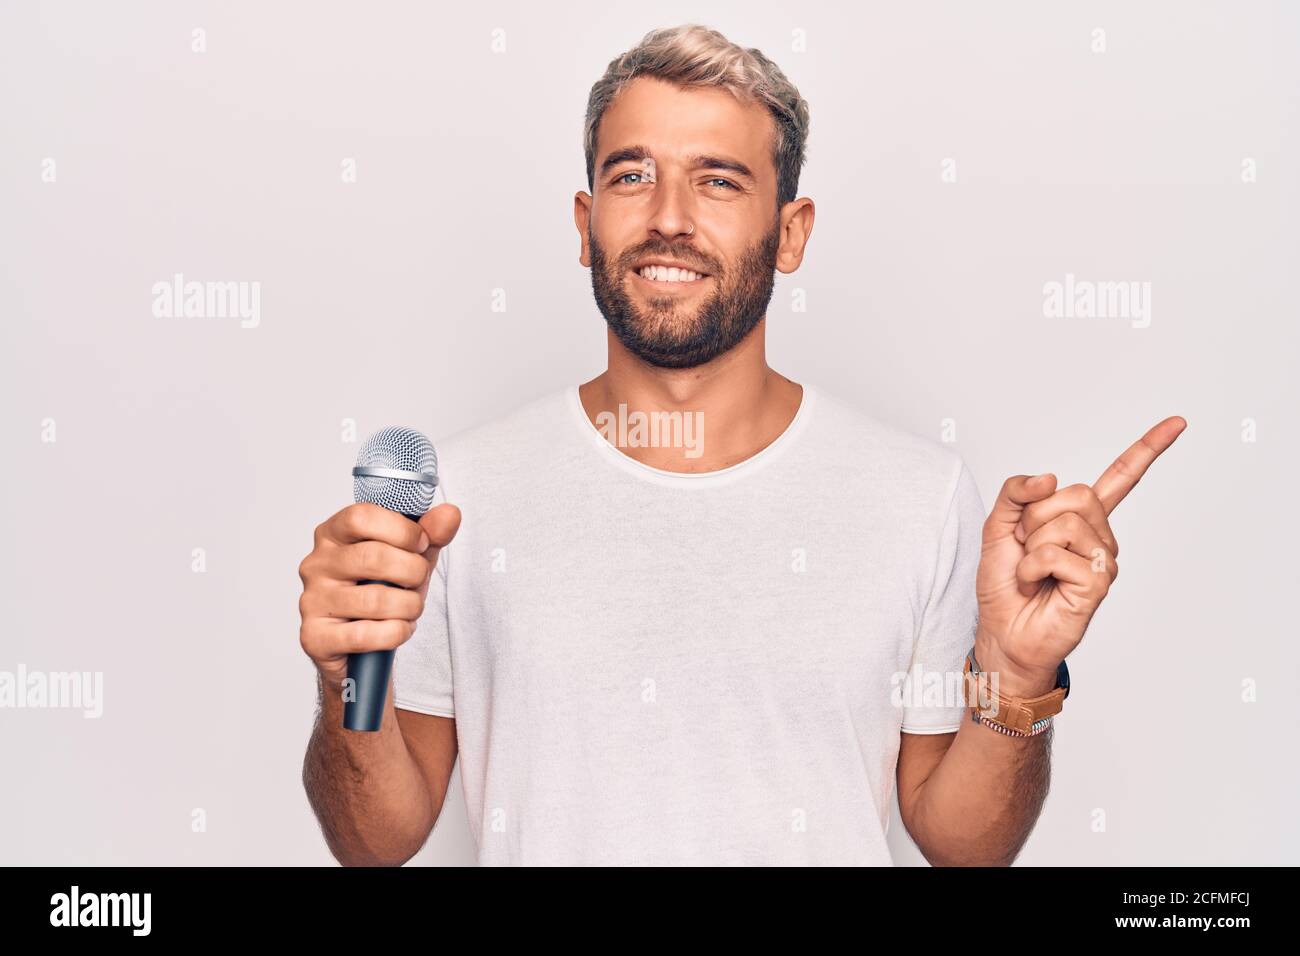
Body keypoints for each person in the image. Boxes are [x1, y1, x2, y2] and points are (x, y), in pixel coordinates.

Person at [298, 23, 1184, 866]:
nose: (670, 218)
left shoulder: (919, 495)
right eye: (632, 174)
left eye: (718, 180)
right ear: (585, 221)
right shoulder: (456, 499)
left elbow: (963, 842)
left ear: (790, 232)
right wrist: (346, 679)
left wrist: (1017, 674)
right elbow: (374, 842)